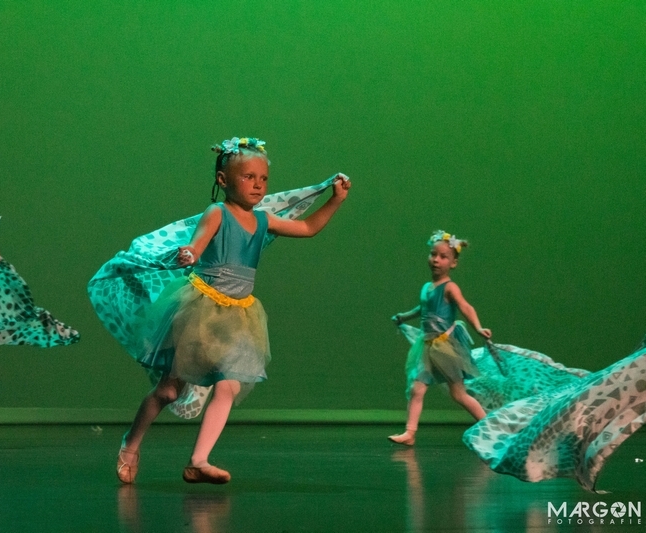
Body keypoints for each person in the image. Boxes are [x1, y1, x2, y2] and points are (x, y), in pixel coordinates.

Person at [110, 137, 350, 484]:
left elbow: (308, 227)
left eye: (263, 179)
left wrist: (336, 200)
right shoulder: (217, 213)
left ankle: (199, 460)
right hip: (201, 309)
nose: (257, 185)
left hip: (239, 314)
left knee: (229, 385)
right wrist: (190, 254)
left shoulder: (265, 221)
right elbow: (198, 243)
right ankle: (130, 444)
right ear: (223, 180)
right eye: (248, 177)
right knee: (168, 391)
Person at [389, 230, 491, 446]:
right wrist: (404, 316)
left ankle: (489, 426)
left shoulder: (450, 287)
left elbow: (465, 307)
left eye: (443, 257)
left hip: (445, 347)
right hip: (426, 346)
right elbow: (422, 308)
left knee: (458, 393)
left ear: (453, 263)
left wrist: (478, 327)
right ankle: (410, 433)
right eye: (433, 254)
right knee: (416, 388)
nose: (436, 260)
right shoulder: (427, 287)